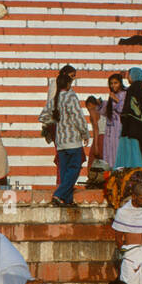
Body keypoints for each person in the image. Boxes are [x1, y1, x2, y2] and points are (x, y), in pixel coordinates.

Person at [50, 71, 90, 206]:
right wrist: (85, 133)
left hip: (60, 140)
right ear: (68, 83)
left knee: (65, 172)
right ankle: (58, 194)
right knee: (74, 169)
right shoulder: (70, 96)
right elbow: (78, 117)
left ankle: (66, 199)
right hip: (72, 139)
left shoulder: (56, 97)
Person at [115, 66, 142, 172]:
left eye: (128, 75)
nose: (127, 77)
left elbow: (127, 113)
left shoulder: (132, 90)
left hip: (131, 131)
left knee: (130, 158)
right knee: (141, 157)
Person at [100, 73, 126, 170]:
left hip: (119, 129)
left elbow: (123, 109)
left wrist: (116, 100)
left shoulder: (124, 94)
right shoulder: (112, 95)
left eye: (116, 83)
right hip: (110, 129)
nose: (113, 85)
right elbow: (106, 112)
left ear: (120, 83)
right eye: (111, 83)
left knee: (118, 154)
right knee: (109, 155)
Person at [84, 95, 105, 175]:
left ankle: (92, 180)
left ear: (90, 104)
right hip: (108, 139)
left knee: (92, 162)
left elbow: (96, 129)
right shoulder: (103, 110)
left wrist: (95, 145)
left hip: (99, 138)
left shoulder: (93, 112)